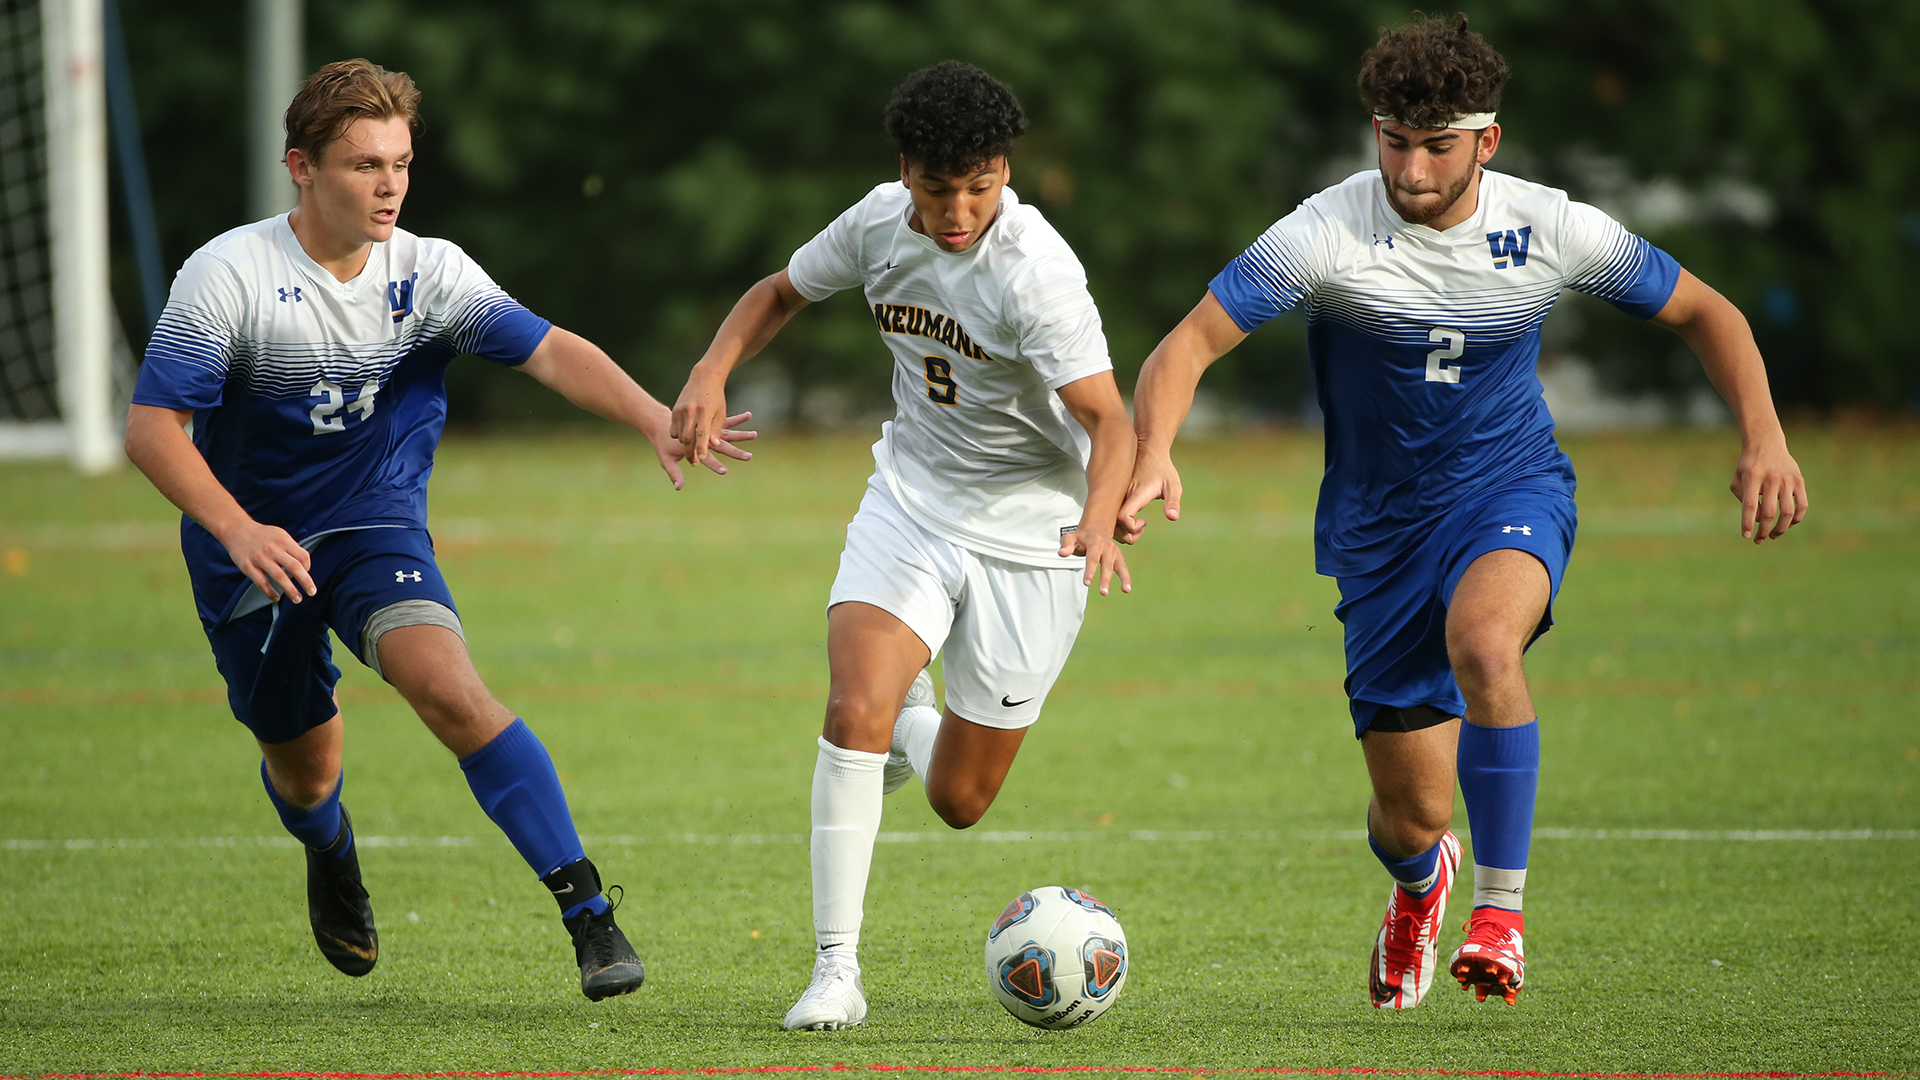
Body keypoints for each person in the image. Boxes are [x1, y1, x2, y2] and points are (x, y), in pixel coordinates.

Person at [1120, 14, 1807, 1009]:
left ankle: (1500, 918)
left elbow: (1710, 312)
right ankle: (1422, 884)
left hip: (1508, 489)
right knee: (1411, 815)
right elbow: (1183, 348)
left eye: (1435, 145)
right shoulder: (1326, 230)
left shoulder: (1550, 226)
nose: (1408, 166)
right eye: (1393, 138)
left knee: (1487, 647)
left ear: (1486, 140)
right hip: (1379, 533)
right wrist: (1155, 451)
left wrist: (1764, 436)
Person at [123, 59, 753, 999]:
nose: (388, 187)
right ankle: (330, 848)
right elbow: (149, 429)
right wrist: (237, 527)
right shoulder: (228, 276)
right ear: (300, 166)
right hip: (248, 550)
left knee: (450, 689)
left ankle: (588, 913)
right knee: (304, 770)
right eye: (362, 165)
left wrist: (651, 416)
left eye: (401, 164)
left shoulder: (430, 272)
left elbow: (549, 352)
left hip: (373, 523)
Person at [671, 60, 1134, 1030]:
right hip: (912, 504)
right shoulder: (879, 222)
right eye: (938, 187)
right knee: (852, 704)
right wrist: (713, 368)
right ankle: (835, 972)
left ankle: (902, 734)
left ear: (1004, 170)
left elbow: (1108, 417)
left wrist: (1099, 514)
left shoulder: (1036, 272)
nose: (959, 209)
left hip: (1029, 536)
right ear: (905, 172)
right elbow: (779, 293)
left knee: (961, 799)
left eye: (980, 185)